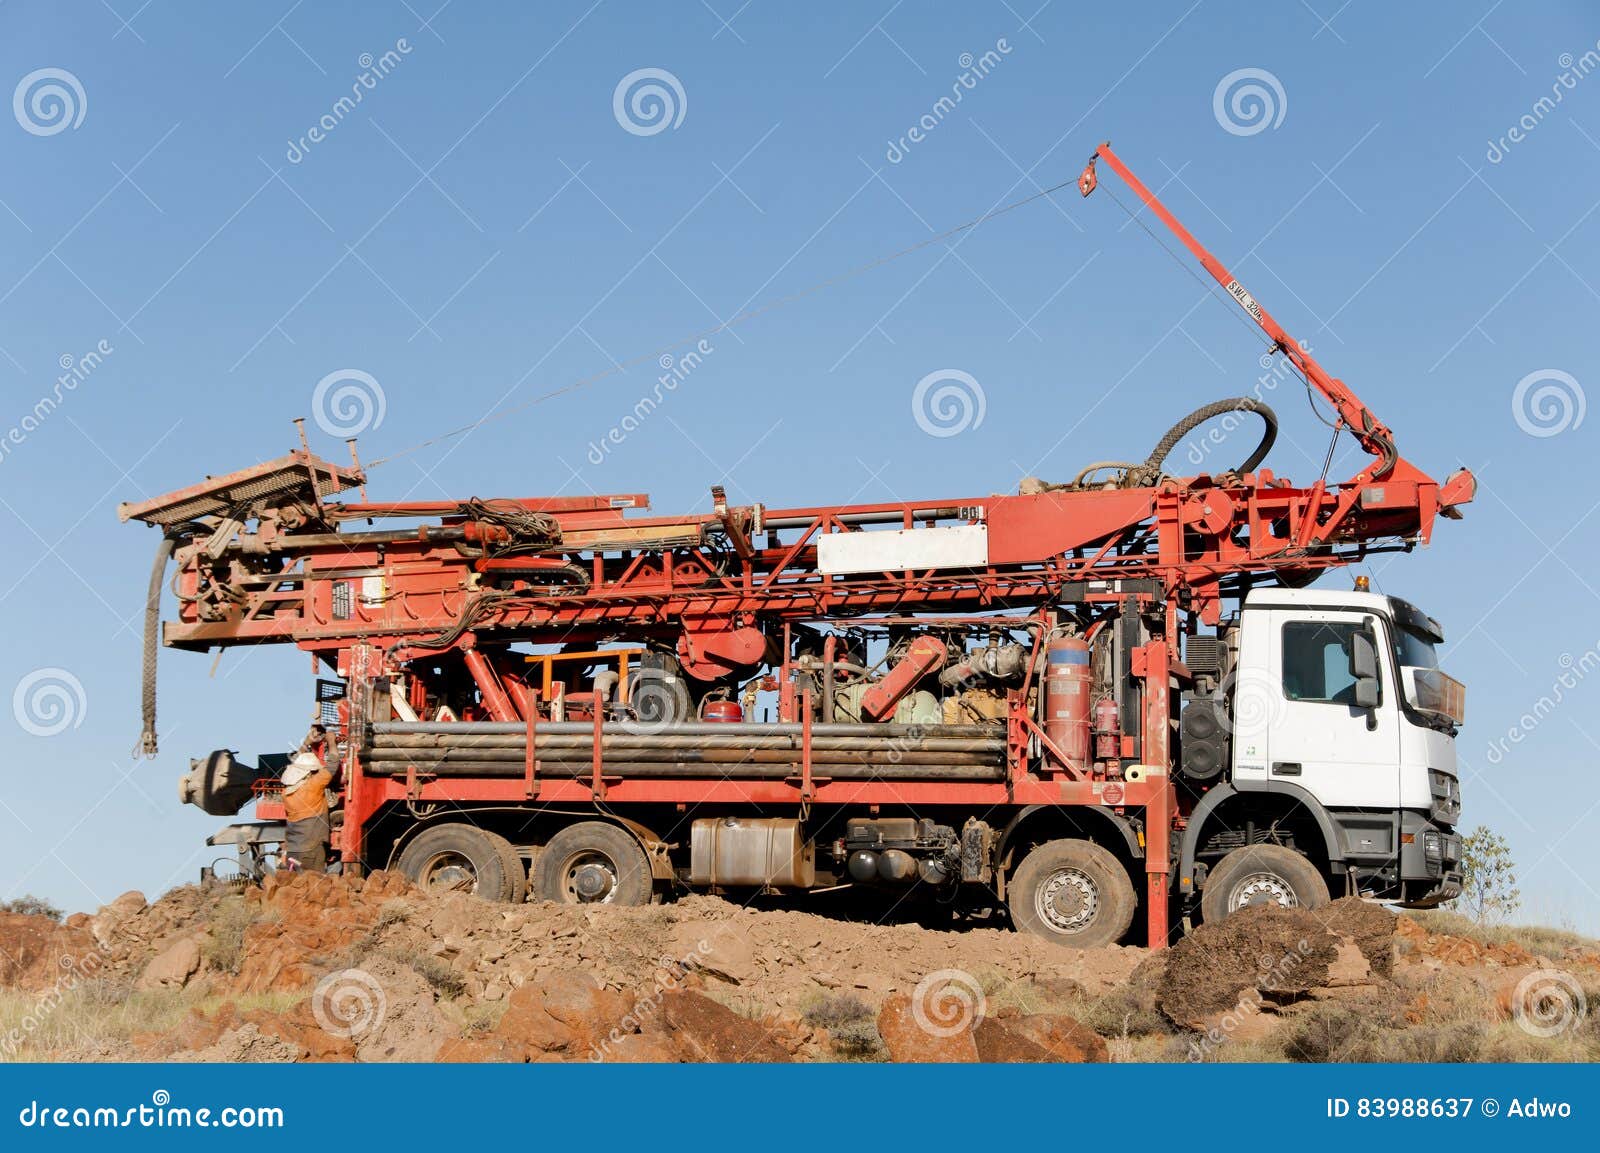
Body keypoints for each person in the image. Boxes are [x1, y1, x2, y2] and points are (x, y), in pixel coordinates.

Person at [281, 749, 333, 873]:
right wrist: (331, 742)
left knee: (297, 886)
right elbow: (332, 766)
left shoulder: (285, 794)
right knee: (315, 886)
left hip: (292, 853)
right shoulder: (313, 786)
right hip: (311, 852)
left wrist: (307, 742)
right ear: (308, 774)